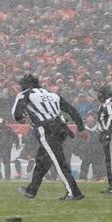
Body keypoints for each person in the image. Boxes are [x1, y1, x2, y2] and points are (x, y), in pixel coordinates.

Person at [12, 73, 85, 201]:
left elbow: (17, 114)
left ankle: (74, 192)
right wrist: (81, 127)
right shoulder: (52, 94)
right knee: (43, 160)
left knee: (58, 161)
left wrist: (22, 118)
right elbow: (72, 110)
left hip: (46, 128)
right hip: (61, 128)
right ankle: (31, 190)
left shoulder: (25, 94)